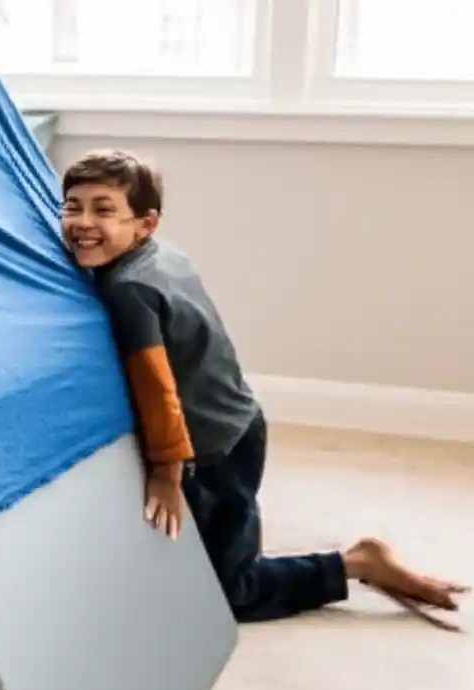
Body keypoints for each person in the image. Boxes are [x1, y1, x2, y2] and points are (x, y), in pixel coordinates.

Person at [60, 147, 466, 626]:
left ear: (145, 224)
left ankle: (357, 563)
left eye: (103, 209)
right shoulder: (164, 256)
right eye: (72, 206)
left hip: (213, 448)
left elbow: (158, 390)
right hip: (240, 418)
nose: (82, 222)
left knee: (234, 593)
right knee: (216, 543)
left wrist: (166, 475)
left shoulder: (128, 290)